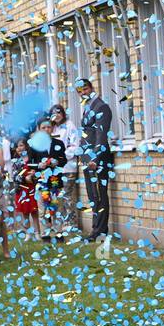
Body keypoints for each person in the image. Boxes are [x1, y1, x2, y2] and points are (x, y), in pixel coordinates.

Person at [76, 78, 113, 242]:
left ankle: (100, 231)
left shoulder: (101, 107)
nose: (82, 93)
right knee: (92, 195)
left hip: (97, 158)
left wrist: (95, 158)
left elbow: (101, 135)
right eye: (79, 91)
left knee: (99, 194)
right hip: (86, 157)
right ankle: (95, 228)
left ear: (91, 88)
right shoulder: (87, 107)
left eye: (84, 89)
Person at [28, 118, 67, 239]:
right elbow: (30, 163)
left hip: (56, 181)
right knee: (42, 209)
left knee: (57, 207)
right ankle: (45, 233)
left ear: (52, 128)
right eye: (43, 128)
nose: (46, 130)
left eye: (48, 127)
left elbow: (64, 160)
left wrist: (57, 162)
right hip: (42, 181)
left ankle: (58, 232)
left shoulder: (58, 143)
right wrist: (39, 165)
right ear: (39, 130)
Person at [49, 104, 81, 236]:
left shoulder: (70, 126)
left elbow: (75, 145)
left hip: (68, 167)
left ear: (63, 113)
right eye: (54, 113)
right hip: (54, 169)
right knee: (57, 195)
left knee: (67, 195)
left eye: (59, 113)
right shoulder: (51, 128)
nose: (56, 116)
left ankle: (71, 224)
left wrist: (61, 157)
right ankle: (60, 224)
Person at [10, 138, 40, 240]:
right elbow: (14, 176)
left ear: (26, 146)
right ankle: (28, 232)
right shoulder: (15, 161)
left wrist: (33, 175)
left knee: (34, 211)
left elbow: (38, 173)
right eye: (17, 146)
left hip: (32, 189)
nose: (19, 148)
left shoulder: (32, 159)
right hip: (22, 189)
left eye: (21, 145)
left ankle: (37, 232)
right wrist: (24, 178)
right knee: (25, 212)